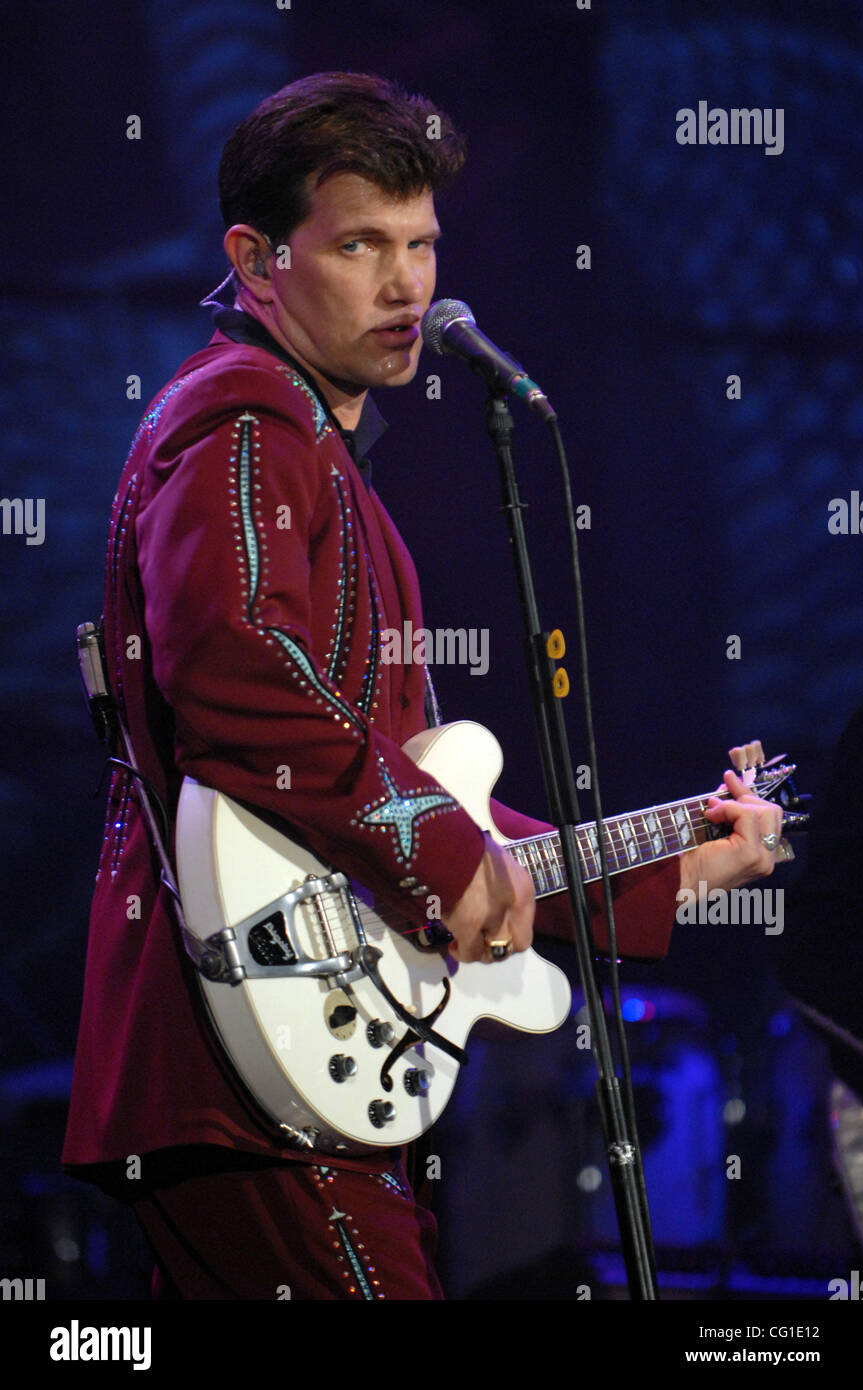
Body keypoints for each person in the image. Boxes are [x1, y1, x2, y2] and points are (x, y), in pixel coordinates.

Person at [62, 72, 784, 1300]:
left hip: (273, 1064)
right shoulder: (243, 425)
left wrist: (668, 864)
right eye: (359, 245)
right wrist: (450, 856)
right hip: (244, 1059)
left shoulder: (307, 444)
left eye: (420, 245)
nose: (409, 287)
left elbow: (404, 785)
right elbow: (242, 679)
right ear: (256, 257)